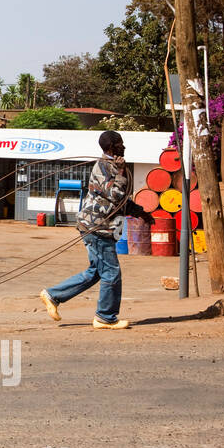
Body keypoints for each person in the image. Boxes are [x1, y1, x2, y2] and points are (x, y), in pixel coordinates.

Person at [40, 130, 152, 330]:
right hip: (97, 226)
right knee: (111, 272)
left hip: (105, 227)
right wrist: (120, 173)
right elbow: (115, 195)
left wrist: (140, 212)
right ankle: (105, 317)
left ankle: (53, 295)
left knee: (97, 271)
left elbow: (122, 201)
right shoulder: (104, 167)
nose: (123, 147)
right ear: (110, 147)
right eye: (120, 144)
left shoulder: (116, 167)